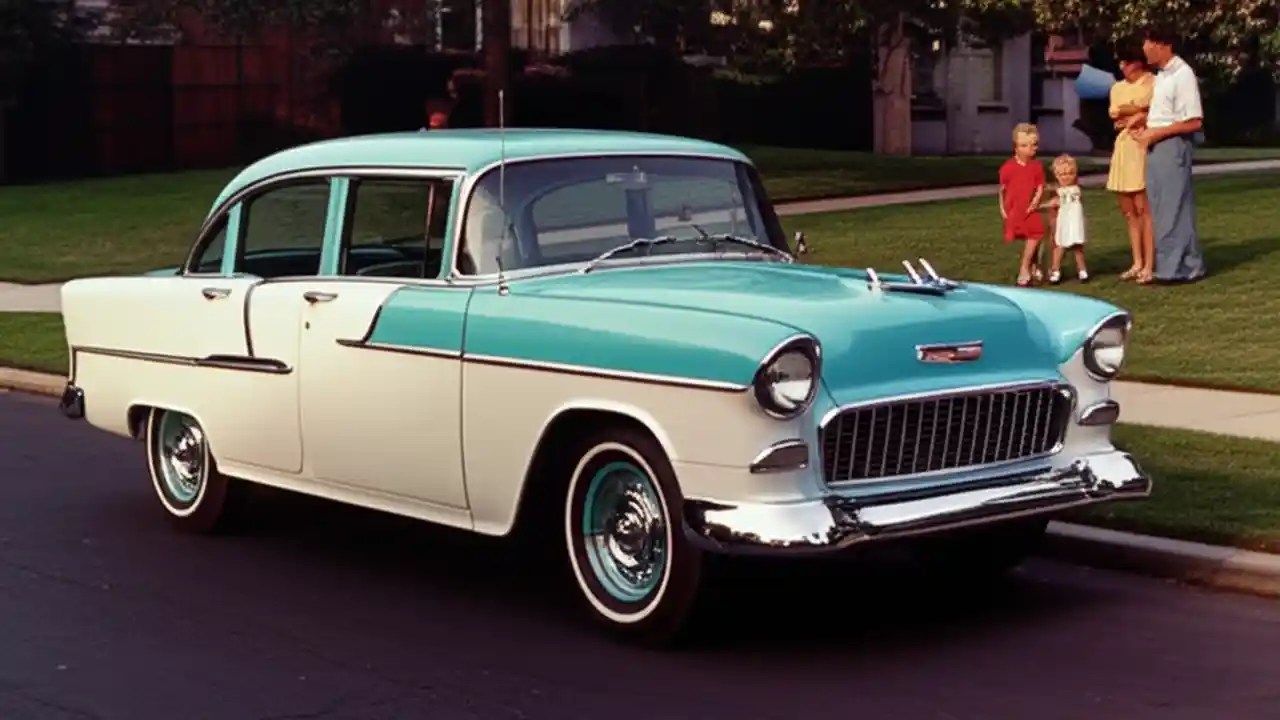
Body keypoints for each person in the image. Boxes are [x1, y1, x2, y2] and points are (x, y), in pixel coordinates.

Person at [1135, 26, 1207, 283]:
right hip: (1156, 144)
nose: (1144, 50)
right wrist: (1143, 121)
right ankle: (1187, 264)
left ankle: (1174, 268)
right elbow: (1167, 112)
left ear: (1162, 44)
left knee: (1172, 207)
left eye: (1147, 44)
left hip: (1172, 145)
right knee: (1162, 205)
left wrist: (1156, 134)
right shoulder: (1162, 76)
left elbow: (1194, 121)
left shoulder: (1182, 74)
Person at [1107, 41, 1156, 285]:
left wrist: (1136, 113)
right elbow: (1115, 113)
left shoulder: (1153, 82)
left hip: (1142, 147)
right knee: (1128, 212)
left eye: (1124, 62)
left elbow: (1153, 109)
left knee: (1144, 209)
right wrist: (1134, 112)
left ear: (1136, 63)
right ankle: (1136, 261)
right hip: (1124, 146)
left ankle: (1149, 264)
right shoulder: (1117, 87)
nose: (1121, 66)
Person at [998, 123, 1046, 286]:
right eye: (1024, 145)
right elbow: (1002, 190)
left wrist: (1035, 202)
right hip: (1015, 208)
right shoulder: (1008, 168)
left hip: (1030, 207)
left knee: (1036, 234)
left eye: (1034, 145)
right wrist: (1003, 209)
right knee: (1029, 236)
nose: (1030, 149)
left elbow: (1040, 187)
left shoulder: (1036, 166)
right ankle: (1031, 266)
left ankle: (1025, 268)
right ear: (1016, 147)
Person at [1047, 154, 1089, 284]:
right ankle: (1057, 269)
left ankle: (1081, 270)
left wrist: (1042, 204)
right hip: (1064, 221)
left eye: (1069, 173)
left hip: (1073, 221)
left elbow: (1059, 200)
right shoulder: (1063, 190)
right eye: (1062, 174)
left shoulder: (1073, 190)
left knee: (1075, 246)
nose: (1065, 177)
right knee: (1060, 246)